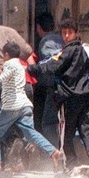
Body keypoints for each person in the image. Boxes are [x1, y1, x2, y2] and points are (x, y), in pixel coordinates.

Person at [33, 18, 89, 168]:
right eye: (64, 33)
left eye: (69, 33)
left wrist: (33, 69)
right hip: (87, 98)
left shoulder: (67, 52)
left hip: (70, 101)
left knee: (66, 136)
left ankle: (71, 166)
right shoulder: (84, 52)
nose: (66, 36)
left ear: (76, 33)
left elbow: (52, 65)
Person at [0, 41, 61, 172]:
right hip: (25, 105)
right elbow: (9, 74)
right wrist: (0, 72)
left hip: (12, 106)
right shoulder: (20, 65)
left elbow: (6, 74)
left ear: (6, 55)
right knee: (31, 134)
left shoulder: (9, 64)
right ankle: (53, 152)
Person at [32, 12, 62, 146]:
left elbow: (52, 61)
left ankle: (53, 153)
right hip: (65, 85)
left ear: (38, 28)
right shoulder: (60, 38)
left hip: (53, 86)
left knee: (48, 123)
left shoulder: (46, 41)